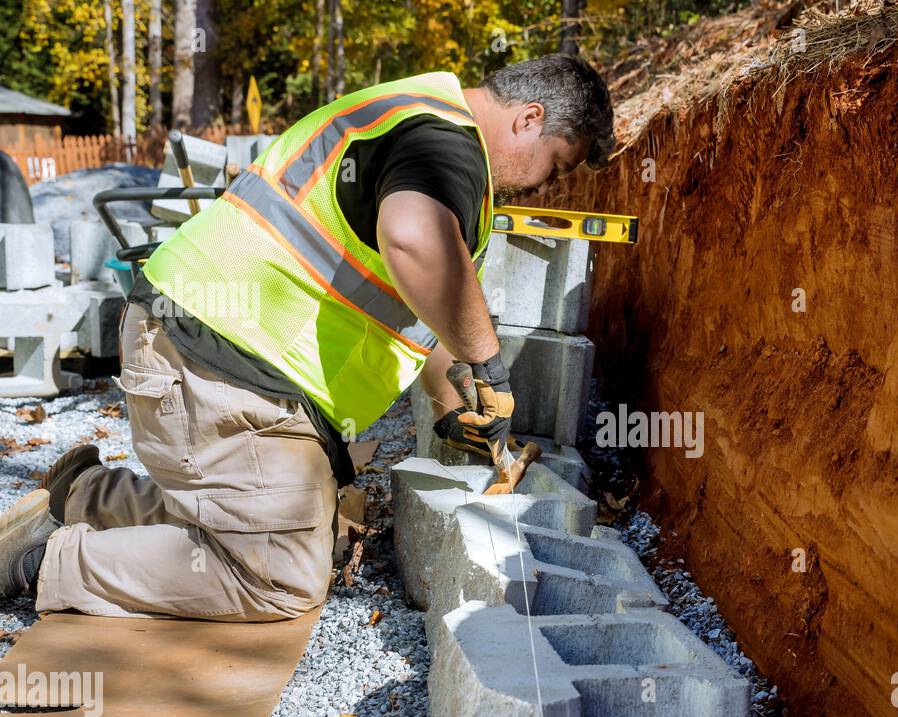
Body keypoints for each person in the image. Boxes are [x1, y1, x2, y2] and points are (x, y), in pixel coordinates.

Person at [0, 54, 614, 620]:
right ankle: (42, 560)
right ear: (529, 119)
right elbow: (414, 239)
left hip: (207, 349)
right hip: (220, 365)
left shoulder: (418, 114)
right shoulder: (446, 146)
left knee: (272, 524)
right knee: (280, 576)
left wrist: (452, 406)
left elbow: (416, 301)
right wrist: (488, 362)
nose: (544, 186)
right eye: (555, 163)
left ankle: (83, 495)